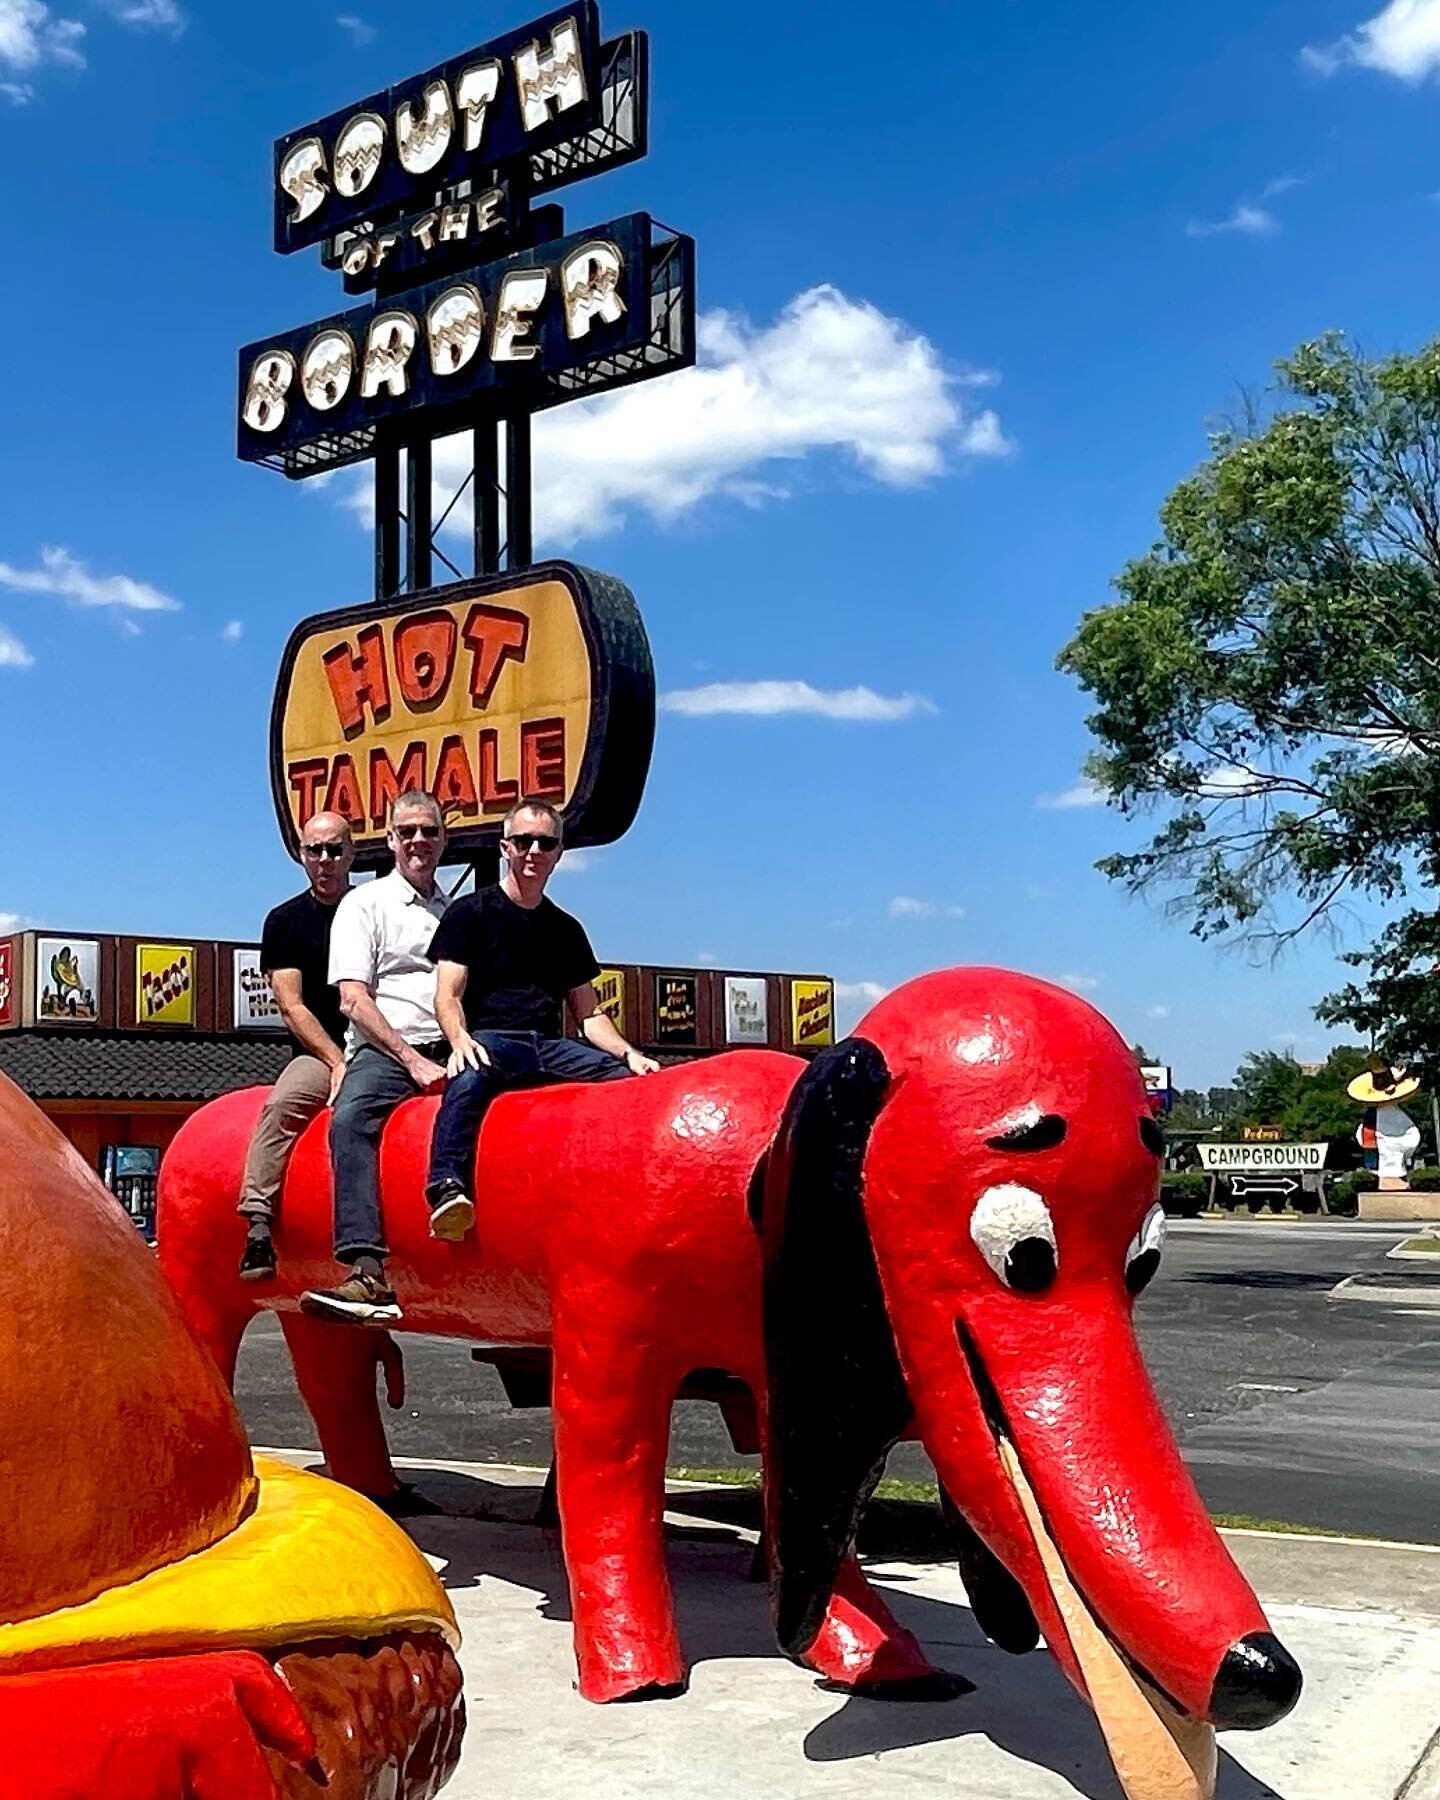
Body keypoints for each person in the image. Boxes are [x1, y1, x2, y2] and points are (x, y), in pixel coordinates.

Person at [424, 799, 659, 1233]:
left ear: (559, 853)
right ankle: (446, 1186)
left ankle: (626, 1192)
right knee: (469, 1080)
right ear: (504, 848)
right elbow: (447, 995)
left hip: (547, 1046)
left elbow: (588, 1014)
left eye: (545, 842)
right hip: (491, 1038)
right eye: (523, 841)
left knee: (624, 1084)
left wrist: (630, 1056)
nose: (534, 850)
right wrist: (459, 1041)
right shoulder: (469, 914)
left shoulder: (565, 929)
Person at [300, 790, 451, 1325]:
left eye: (428, 831)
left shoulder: (453, 914)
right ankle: (367, 1270)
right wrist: (412, 1060)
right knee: (350, 1120)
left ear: (443, 839)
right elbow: (352, 999)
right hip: (387, 1052)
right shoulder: (363, 905)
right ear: (389, 840)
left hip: (454, 1047)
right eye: (407, 831)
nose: (418, 841)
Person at [235, 812, 355, 1282]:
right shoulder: (285, 920)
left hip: (382, 1045)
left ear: (352, 853)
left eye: (334, 850)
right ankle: (259, 1224)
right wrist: (336, 1059)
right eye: (314, 850)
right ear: (301, 855)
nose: (324, 860)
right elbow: (291, 1005)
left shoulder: (371, 907)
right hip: (320, 1053)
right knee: (281, 1105)